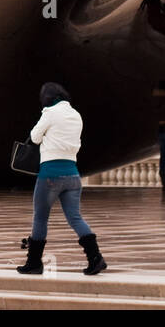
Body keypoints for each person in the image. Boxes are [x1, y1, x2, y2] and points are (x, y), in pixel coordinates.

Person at [17, 83, 106, 276]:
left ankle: (34, 263)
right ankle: (96, 257)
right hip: (73, 175)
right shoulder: (76, 114)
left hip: (50, 173)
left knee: (40, 217)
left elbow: (34, 136)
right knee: (75, 217)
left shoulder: (49, 113)